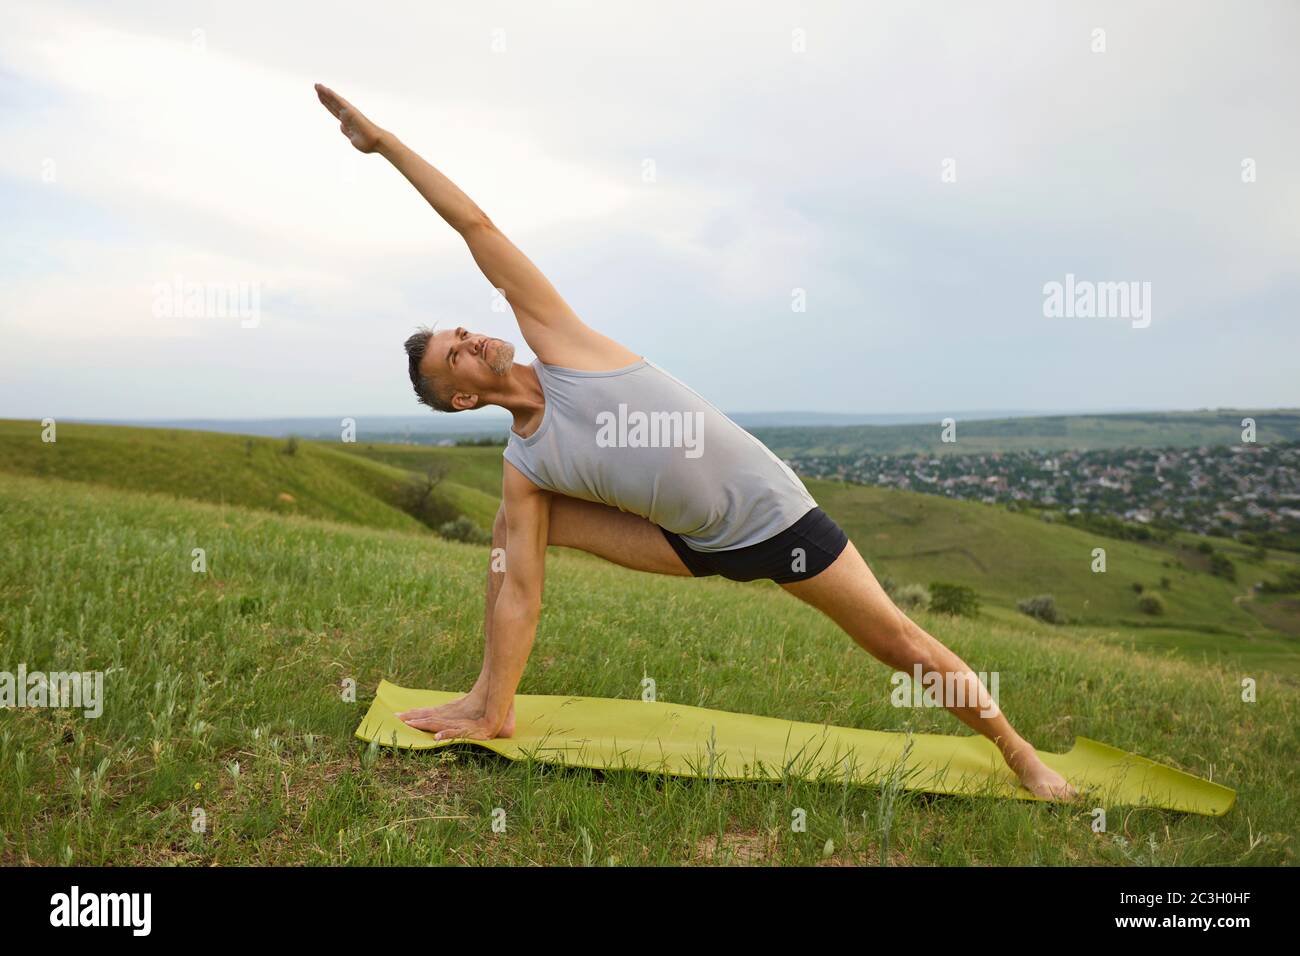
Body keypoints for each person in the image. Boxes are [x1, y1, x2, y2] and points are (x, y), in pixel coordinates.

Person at [314, 83, 1077, 800]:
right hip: (688, 544)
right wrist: (491, 701)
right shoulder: (527, 466)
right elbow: (521, 589)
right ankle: (492, 701)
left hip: (777, 522)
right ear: (466, 395)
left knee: (897, 641)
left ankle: (1019, 752)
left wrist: (384, 145)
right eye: (458, 355)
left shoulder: (562, 342)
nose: (474, 338)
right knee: (511, 526)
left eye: (461, 331)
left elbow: (475, 226)